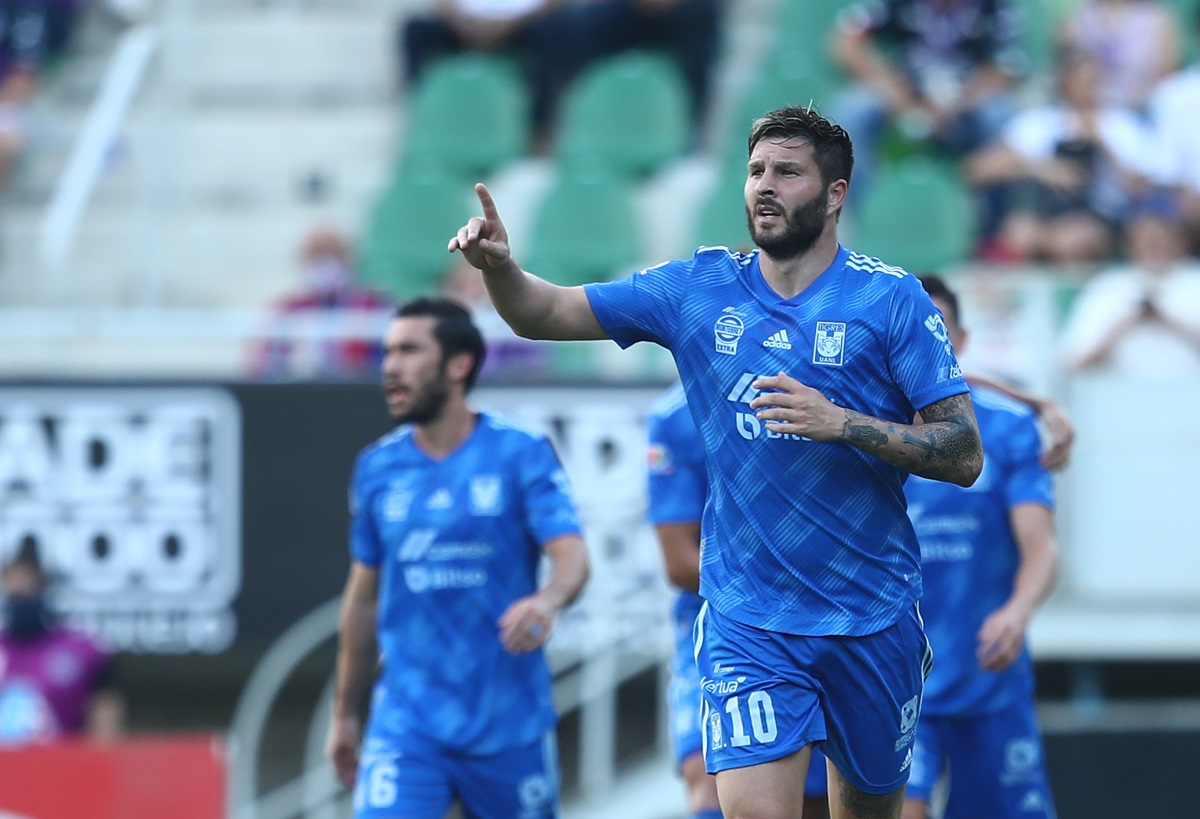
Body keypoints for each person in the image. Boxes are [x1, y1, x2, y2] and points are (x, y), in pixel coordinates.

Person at [449, 105, 985, 819]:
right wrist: (502, 268)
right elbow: (545, 313)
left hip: (873, 613)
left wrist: (843, 423)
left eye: (788, 172)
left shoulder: (890, 300)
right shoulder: (696, 290)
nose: (764, 185)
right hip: (749, 616)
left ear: (834, 194)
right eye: (756, 170)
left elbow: (963, 451)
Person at [325, 297, 590, 818]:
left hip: (508, 725)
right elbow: (362, 600)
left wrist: (548, 599)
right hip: (407, 726)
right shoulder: (378, 467)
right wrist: (344, 715)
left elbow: (572, 554)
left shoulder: (520, 452)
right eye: (387, 353)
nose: (389, 367)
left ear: (458, 364)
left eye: (407, 351)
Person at [901, 275, 1059, 819]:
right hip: (897, 681)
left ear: (961, 341)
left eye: (937, 332)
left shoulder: (1009, 430)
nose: (922, 343)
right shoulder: (862, 426)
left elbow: (1042, 548)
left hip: (988, 675)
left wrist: (1016, 614)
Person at [648, 382, 830, 819]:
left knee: (817, 802)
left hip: (823, 626)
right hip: (723, 631)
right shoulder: (676, 414)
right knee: (714, 789)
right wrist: (770, 590)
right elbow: (677, 562)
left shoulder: (823, 394)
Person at [963, 48, 1158, 264]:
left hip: (1098, 215)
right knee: (1019, 233)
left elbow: (1141, 187)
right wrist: (1041, 168)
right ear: (1064, 82)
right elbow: (976, 170)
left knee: (1070, 241)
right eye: (1078, 79)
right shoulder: (1039, 124)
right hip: (1042, 210)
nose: (1085, 87)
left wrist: (1103, 144)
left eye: (1091, 80)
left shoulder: (1120, 125)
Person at [830, 0, 1024, 203]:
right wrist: (900, 97)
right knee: (852, 110)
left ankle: (991, 222)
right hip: (903, 93)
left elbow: (1007, 67)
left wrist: (955, 106)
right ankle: (850, 210)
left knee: (999, 116)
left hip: (968, 99)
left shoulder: (996, 6)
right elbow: (845, 43)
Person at [1058, 192, 1200, 377]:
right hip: (1114, 400)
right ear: (1130, 240)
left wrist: (1169, 321)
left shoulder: (1195, 281)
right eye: (1146, 236)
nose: (1154, 243)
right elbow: (1071, 362)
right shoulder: (1108, 285)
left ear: (1181, 239)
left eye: (1163, 235)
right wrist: (1124, 324)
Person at [0, 544, 123, 745]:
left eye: (27, 585)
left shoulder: (81, 649)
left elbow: (105, 728)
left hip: (61, 768)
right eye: (14, 592)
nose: (19, 594)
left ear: (43, 585)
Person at [250, 227, 392, 380]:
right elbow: (258, 365)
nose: (327, 268)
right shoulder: (287, 308)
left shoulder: (372, 305)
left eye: (334, 258)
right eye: (317, 260)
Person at [1059, 0, 1180, 111]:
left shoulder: (1156, 19)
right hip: (1093, 112)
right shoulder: (1080, 16)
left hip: (1141, 112)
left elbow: (1167, 80)